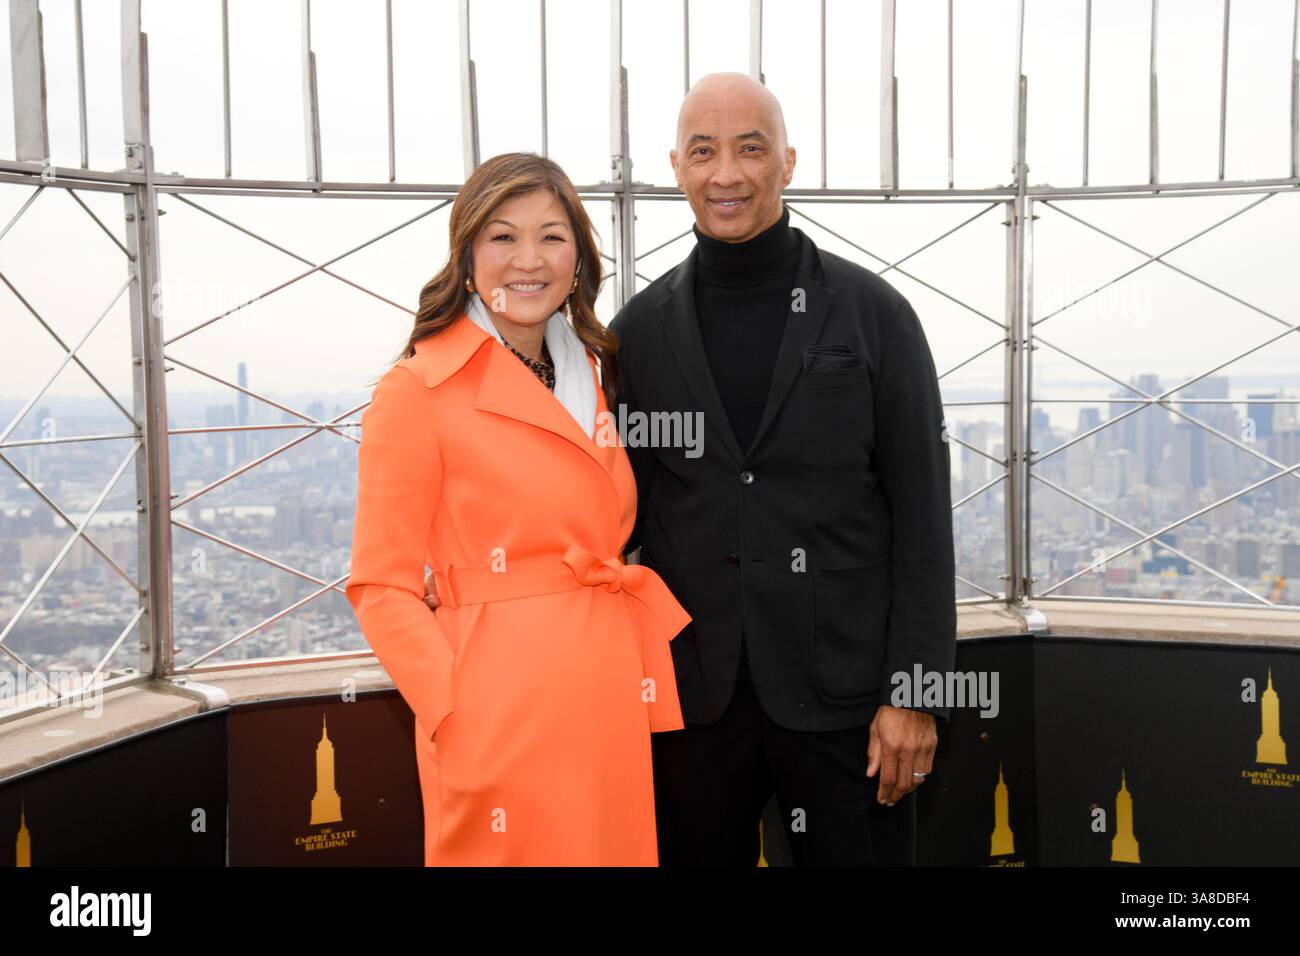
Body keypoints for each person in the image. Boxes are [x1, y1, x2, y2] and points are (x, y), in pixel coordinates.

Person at [609, 72, 957, 866]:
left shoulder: (877, 316)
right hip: (693, 704)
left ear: (789, 162)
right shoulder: (638, 334)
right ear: (676, 165)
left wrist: (916, 695)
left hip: (853, 707)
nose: (725, 173)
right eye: (704, 151)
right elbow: (609, 514)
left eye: (750, 149)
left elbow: (925, 521)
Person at [345, 152, 690, 866]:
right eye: (503, 236)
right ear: (467, 254)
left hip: (605, 690)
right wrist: (453, 712)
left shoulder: (590, 373)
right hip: (495, 707)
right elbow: (381, 583)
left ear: (578, 259)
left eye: (552, 236)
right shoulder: (416, 390)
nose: (527, 260)